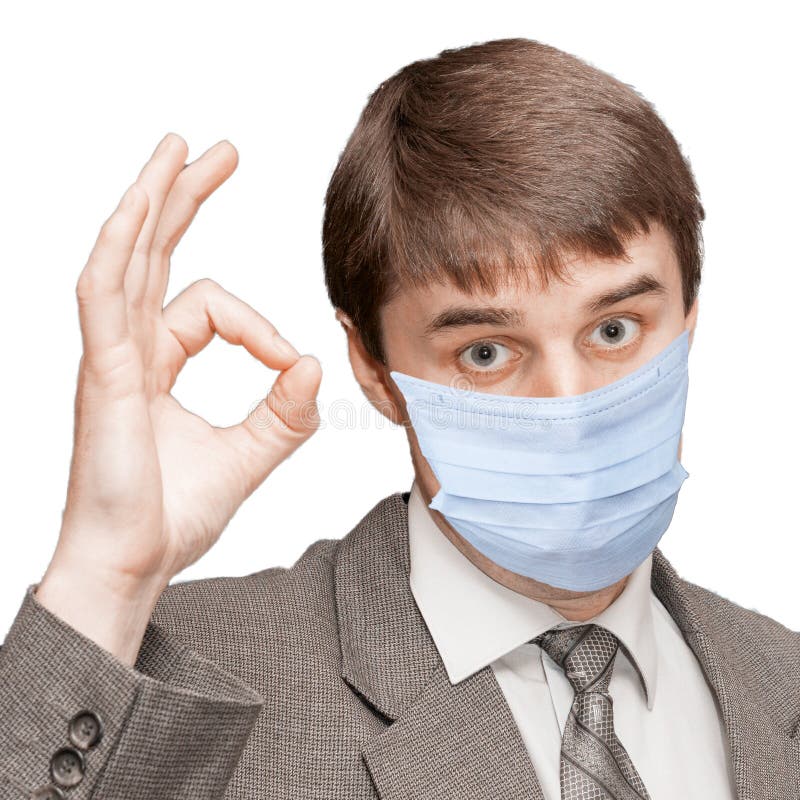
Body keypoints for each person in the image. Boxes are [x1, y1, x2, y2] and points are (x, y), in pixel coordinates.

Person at [0, 36, 797, 800]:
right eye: (486, 352)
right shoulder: (166, 677)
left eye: (615, 330)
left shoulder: (781, 679)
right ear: (375, 371)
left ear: (689, 317)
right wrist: (104, 578)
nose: (571, 407)